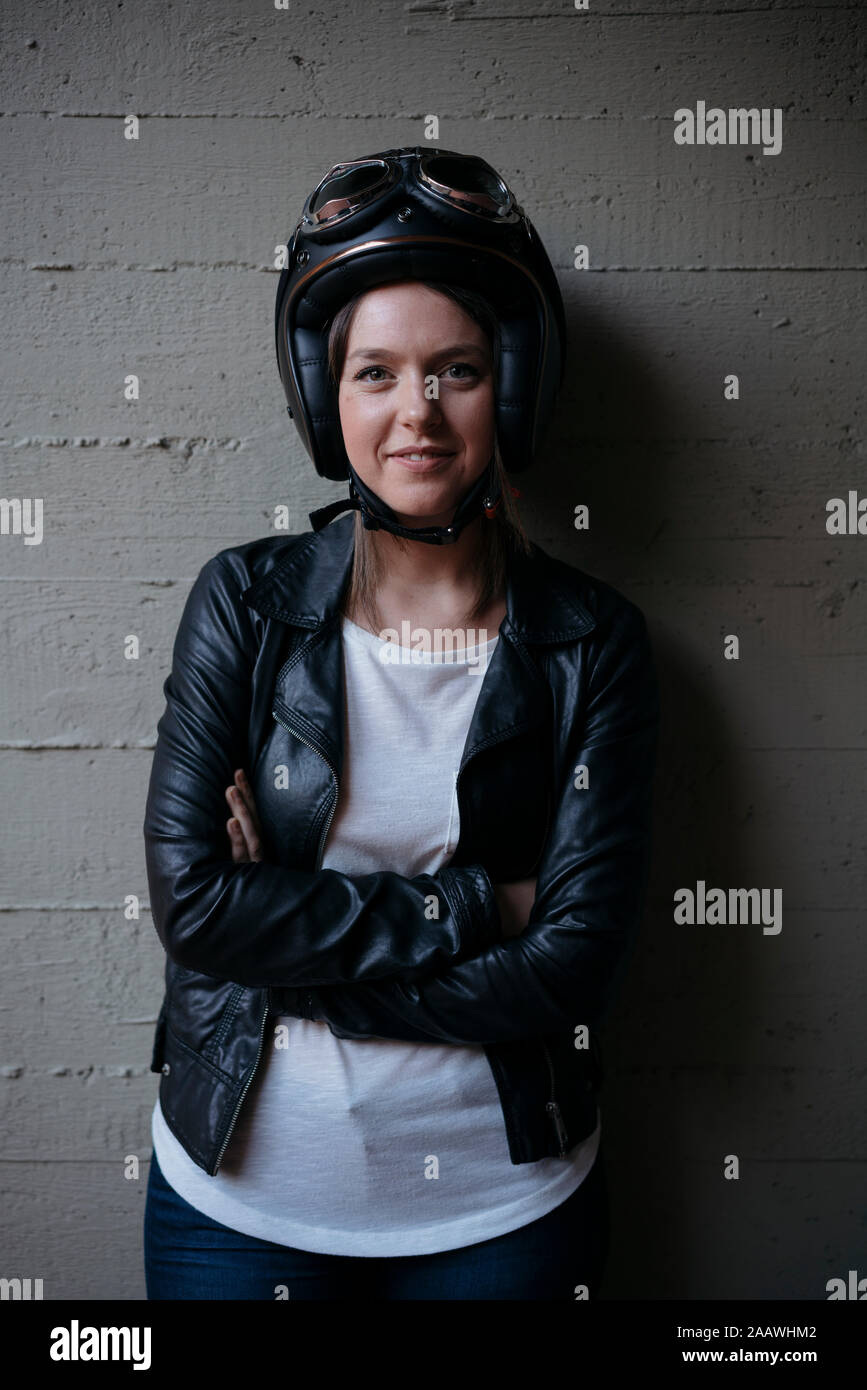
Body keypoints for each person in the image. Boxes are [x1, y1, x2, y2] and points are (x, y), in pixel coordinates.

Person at [142, 148, 660, 1301]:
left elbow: (572, 965)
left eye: (456, 370)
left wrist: (280, 945)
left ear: (510, 390)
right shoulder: (244, 602)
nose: (415, 413)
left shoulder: (595, 645)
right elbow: (192, 901)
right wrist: (485, 902)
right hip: (233, 1211)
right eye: (375, 373)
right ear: (329, 402)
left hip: (503, 1219)